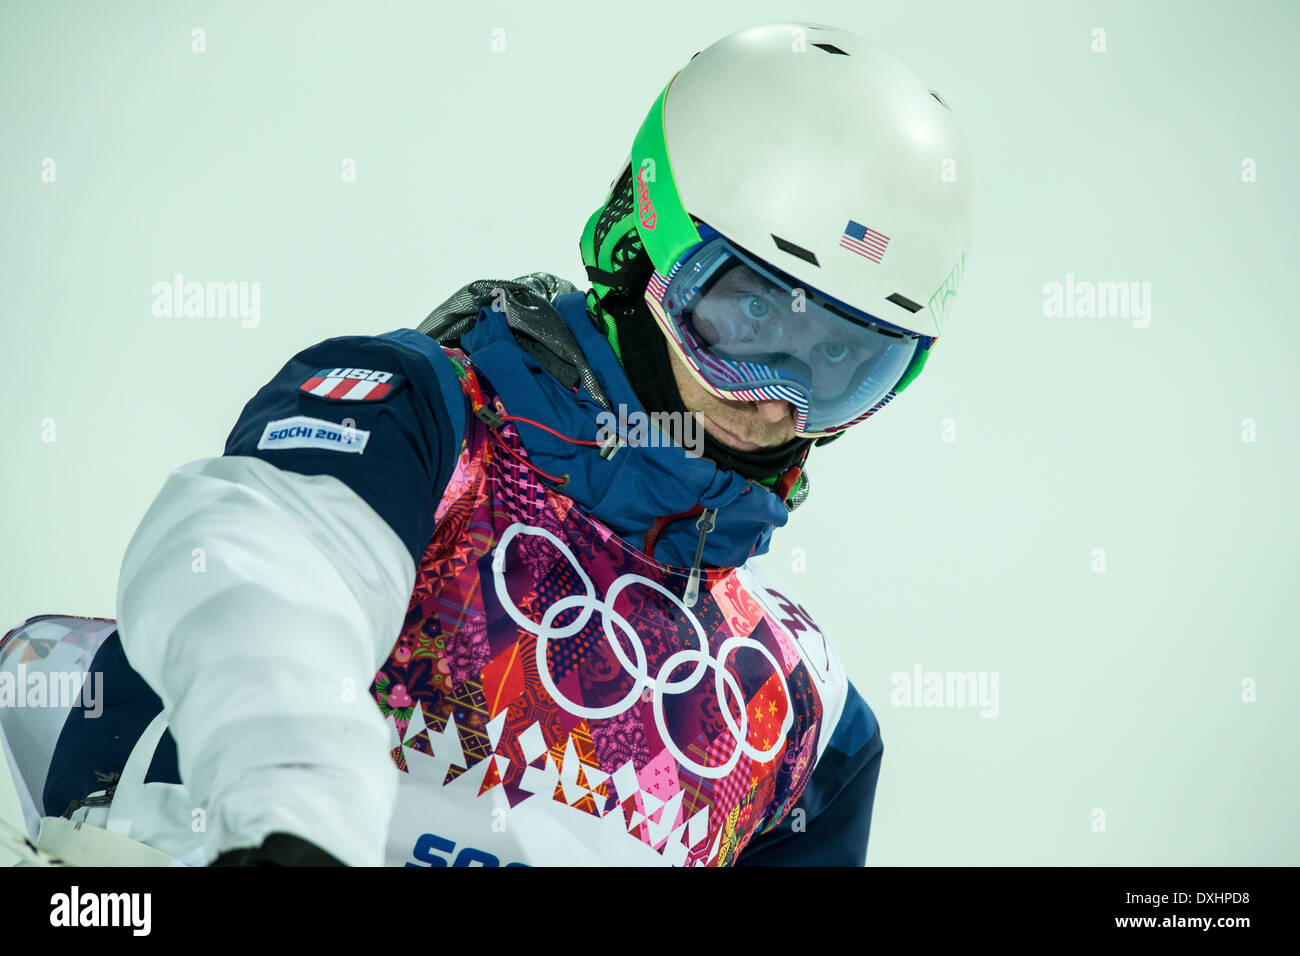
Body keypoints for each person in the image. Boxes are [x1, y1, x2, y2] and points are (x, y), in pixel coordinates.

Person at [0, 20, 973, 867]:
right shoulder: (423, 413)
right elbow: (260, 582)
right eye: (746, 315)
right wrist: (293, 818)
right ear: (648, 240)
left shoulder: (800, 713)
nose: (774, 402)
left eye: (842, 361)